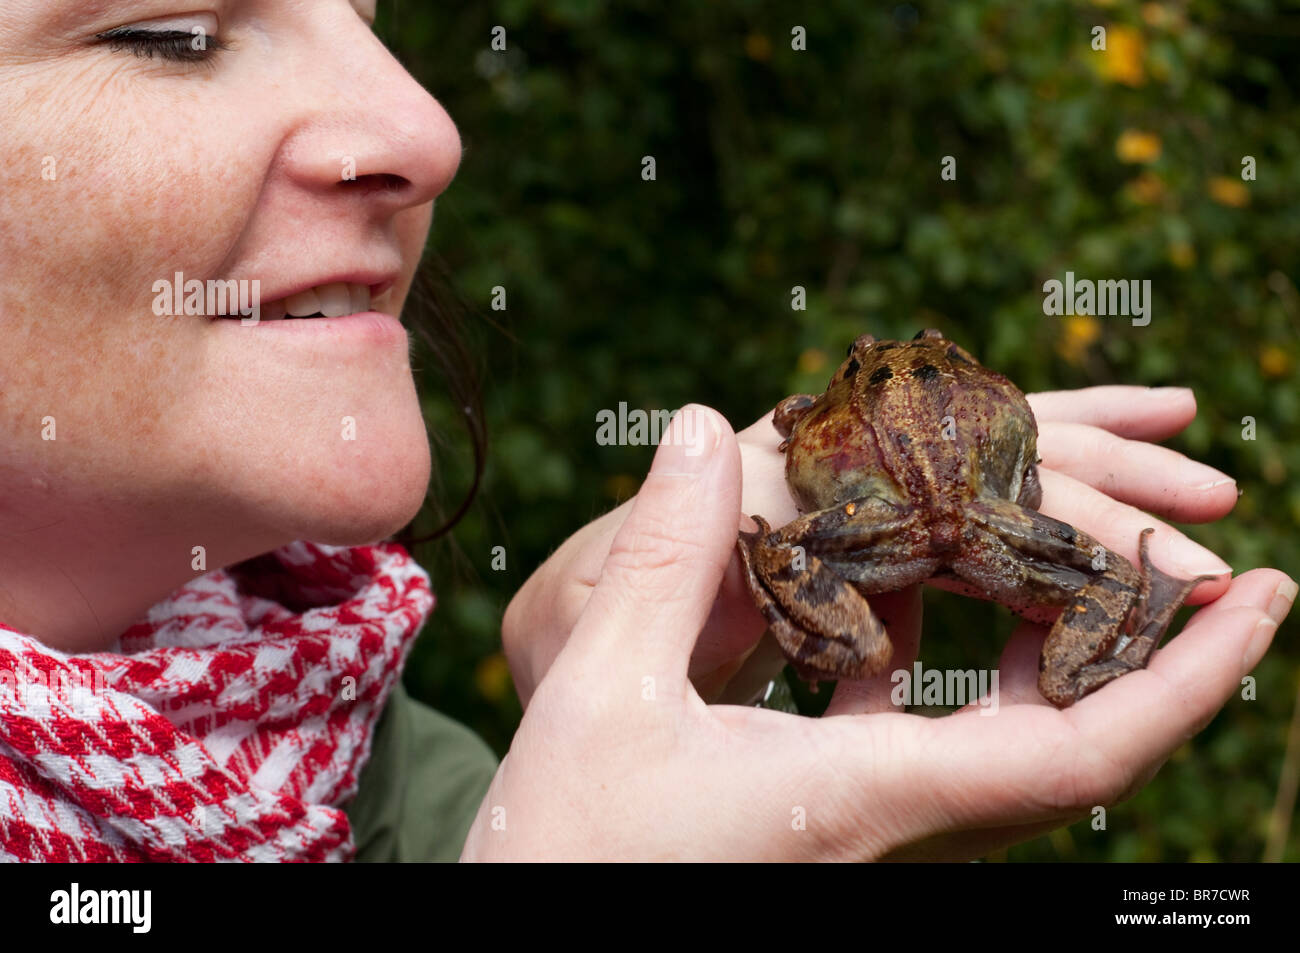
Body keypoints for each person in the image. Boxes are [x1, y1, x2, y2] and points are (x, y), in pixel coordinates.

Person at [0, 1, 1291, 863]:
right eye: (171, 32)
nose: (425, 130)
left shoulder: (376, 776)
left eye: (372, 15)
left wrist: (641, 733)